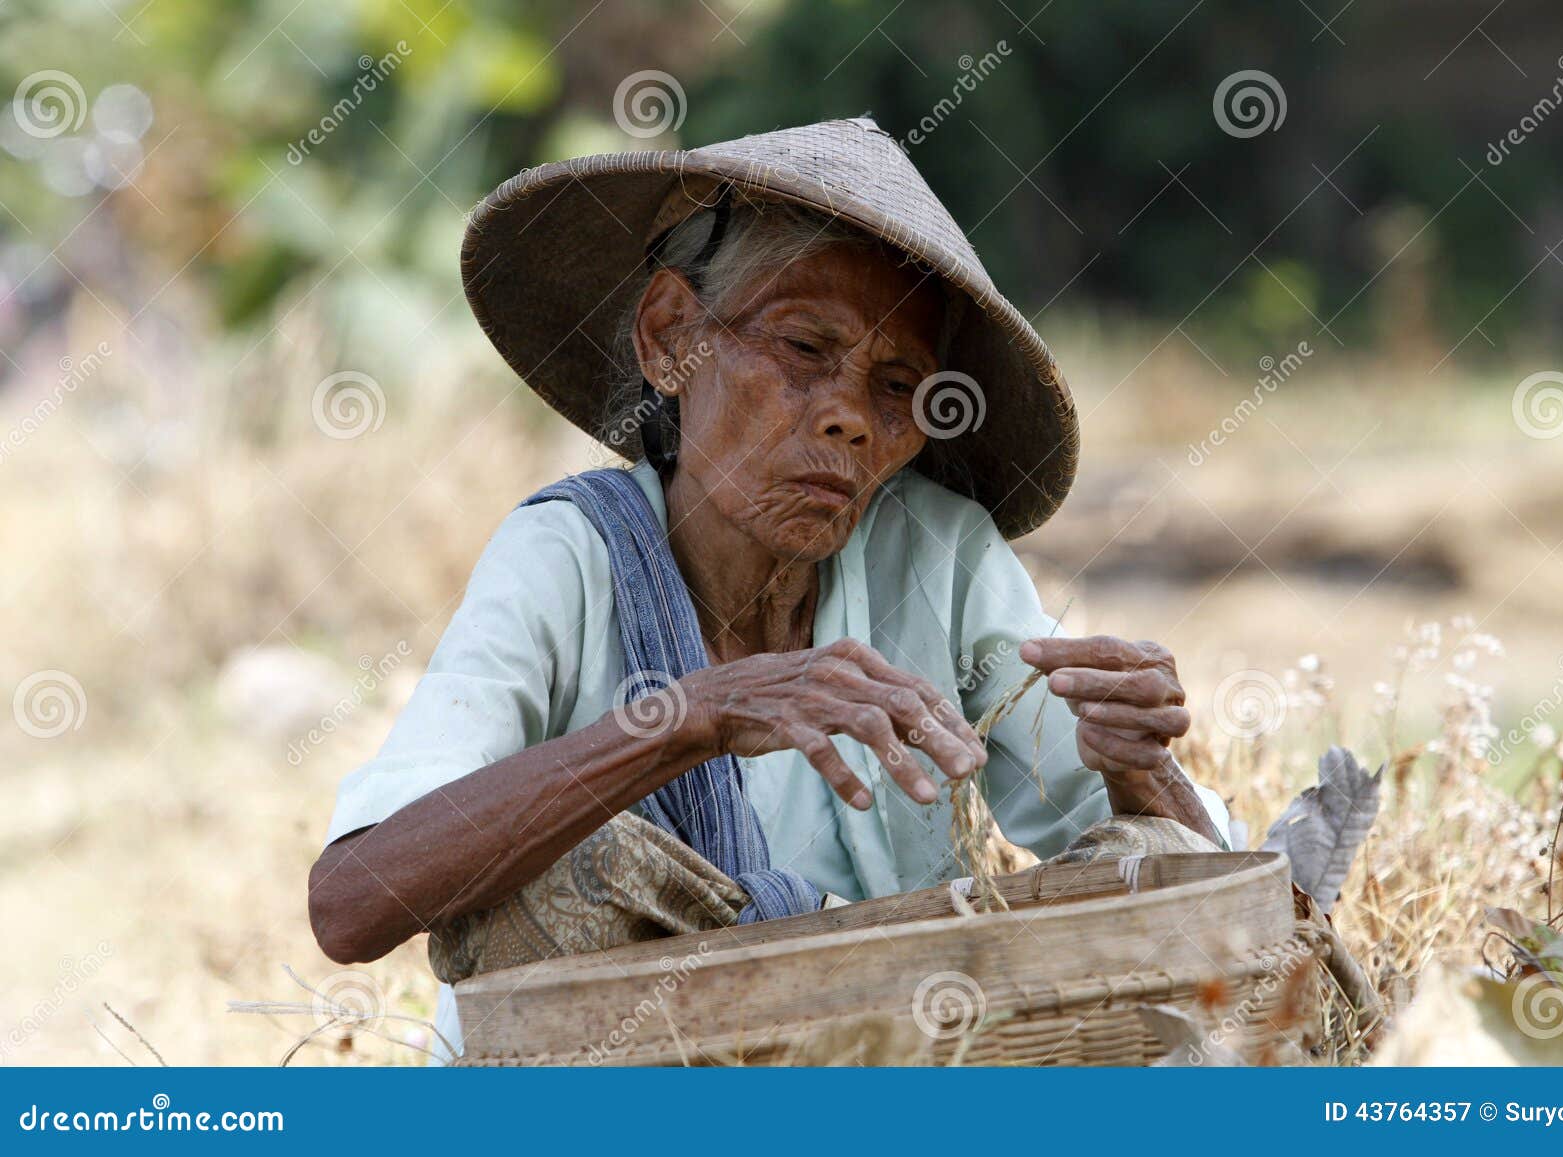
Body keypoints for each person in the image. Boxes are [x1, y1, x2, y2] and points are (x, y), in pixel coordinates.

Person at [307, 118, 1230, 1061]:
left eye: (896, 383)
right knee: (570, 871)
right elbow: (351, 903)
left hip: (883, 1068)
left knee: (1154, 867)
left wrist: (1136, 768)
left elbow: (1217, 889)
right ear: (671, 339)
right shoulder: (565, 555)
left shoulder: (934, 554)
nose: (848, 419)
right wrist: (686, 718)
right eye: (804, 349)